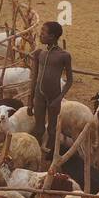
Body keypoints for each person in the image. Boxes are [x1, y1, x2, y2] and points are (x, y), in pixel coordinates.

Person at [28, 21, 74, 159]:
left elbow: (70, 80)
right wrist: (30, 100)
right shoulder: (39, 54)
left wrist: (59, 99)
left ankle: (51, 158)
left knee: (52, 130)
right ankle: (34, 154)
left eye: (44, 32)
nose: (40, 34)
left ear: (52, 36)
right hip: (39, 95)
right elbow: (34, 78)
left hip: (54, 96)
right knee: (38, 128)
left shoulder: (64, 56)